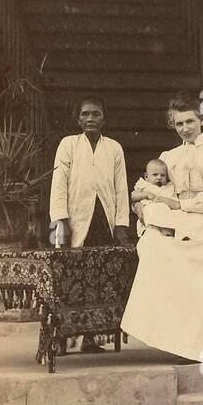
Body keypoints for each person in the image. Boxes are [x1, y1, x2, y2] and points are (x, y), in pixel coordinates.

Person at [120, 94, 203, 362]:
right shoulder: (168, 156)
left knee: (195, 269)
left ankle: (201, 344)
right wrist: (141, 207)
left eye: (190, 121)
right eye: (179, 124)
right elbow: (153, 189)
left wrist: (178, 205)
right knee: (153, 246)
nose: (185, 128)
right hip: (176, 220)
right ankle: (177, 338)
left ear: (202, 119)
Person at [48, 95, 132, 351]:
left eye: (95, 114)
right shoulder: (68, 145)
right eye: (85, 114)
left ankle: (90, 339)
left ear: (104, 118)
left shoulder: (114, 148)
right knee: (69, 280)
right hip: (74, 220)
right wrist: (60, 222)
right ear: (78, 119)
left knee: (97, 281)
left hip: (102, 222)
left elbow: (120, 187)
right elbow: (58, 184)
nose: (90, 118)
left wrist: (120, 224)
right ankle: (62, 338)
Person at [132, 159, 176, 238]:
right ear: (146, 176)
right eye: (155, 174)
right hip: (149, 213)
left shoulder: (168, 188)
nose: (159, 177)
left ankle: (168, 233)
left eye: (163, 175)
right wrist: (146, 194)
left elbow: (174, 201)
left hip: (165, 216)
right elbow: (133, 196)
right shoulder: (144, 185)